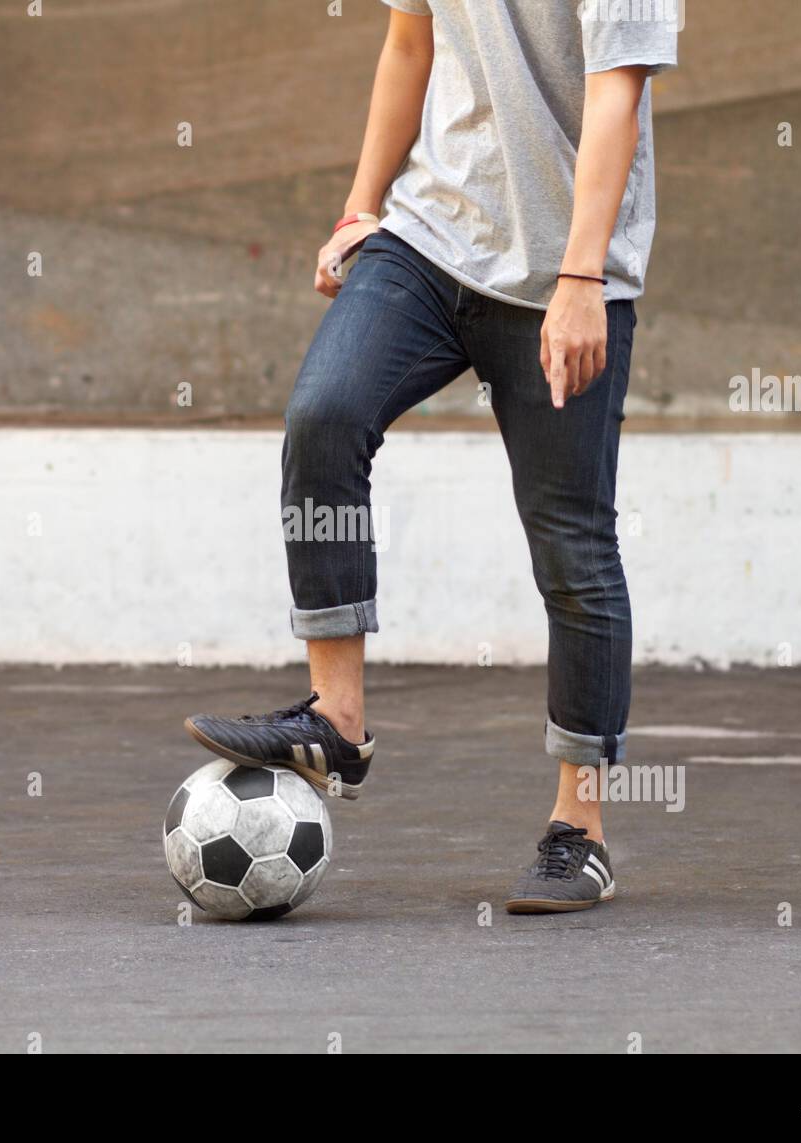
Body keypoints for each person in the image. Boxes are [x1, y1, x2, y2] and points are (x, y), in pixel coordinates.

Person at [185, 0, 678, 913]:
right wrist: (360, 206)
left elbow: (619, 95)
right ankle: (336, 718)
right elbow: (410, 41)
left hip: (562, 274)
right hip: (427, 236)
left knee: (573, 545)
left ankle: (580, 827)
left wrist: (581, 281)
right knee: (323, 416)